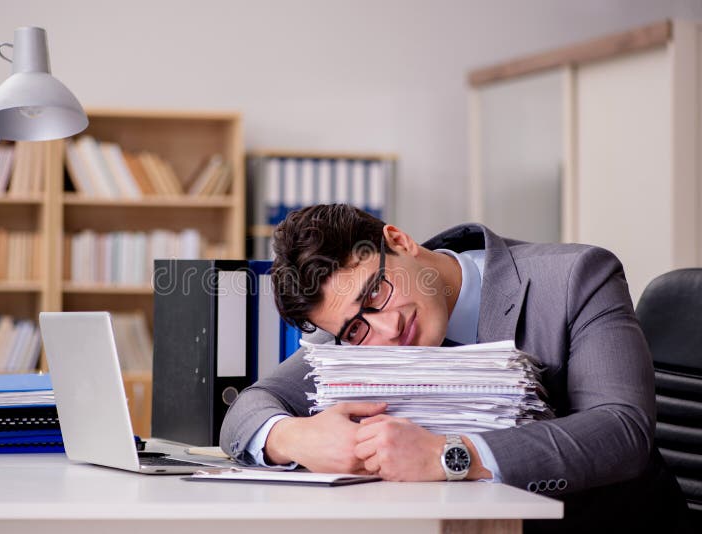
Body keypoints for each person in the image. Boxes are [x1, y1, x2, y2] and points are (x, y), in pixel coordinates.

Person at [220, 204, 688, 532]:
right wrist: (295, 437)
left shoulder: (576, 278)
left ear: (398, 241)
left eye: (376, 293)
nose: (386, 330)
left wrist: (450, 455)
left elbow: (622, 431)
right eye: (356, 329)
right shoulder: (353, 333)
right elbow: (249, 409)